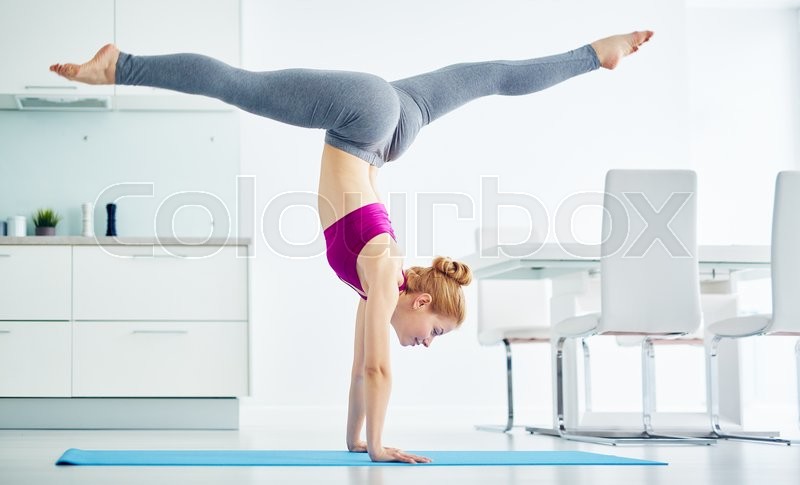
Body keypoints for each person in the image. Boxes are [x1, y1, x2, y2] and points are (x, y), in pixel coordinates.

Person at [50, 30, 653, 463]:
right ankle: (120, 66)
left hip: (390, 129)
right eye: (436, 331)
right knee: (240, 86)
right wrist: (378, 447)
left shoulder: (380, 276)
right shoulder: (385, 271)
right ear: (418, 301)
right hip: (364, 116)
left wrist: (354, 440)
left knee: (493, 75)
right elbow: (375, 367)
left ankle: (597, 54)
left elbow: (359, 372)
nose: (428, 343)